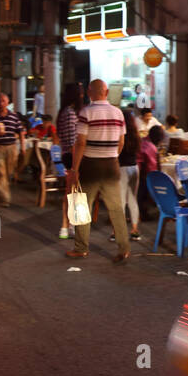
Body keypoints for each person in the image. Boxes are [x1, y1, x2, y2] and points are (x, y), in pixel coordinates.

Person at [67, 79, 130, 262]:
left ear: (89, 92)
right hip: (112, 165)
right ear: (107, 92)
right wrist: (112, 155)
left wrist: (74, 169)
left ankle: (81, 247)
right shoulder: (118, 113)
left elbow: (81, 142)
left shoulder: (86, 112)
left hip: (90, 165)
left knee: (81, 205)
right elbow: (121, 142)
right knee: (116, 208)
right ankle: (123, 249)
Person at [0, 92, 25, 207]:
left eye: (3, 100)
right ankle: (5, 199)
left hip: (11, 147)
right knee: (1, 173)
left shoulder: (14, 116)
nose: (1, 103)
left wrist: (22, 147)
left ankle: (2, 192)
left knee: (9, 173)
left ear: (8, 102)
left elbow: (21, 132)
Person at [57, 84, 82, 240]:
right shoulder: (71, 114)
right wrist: (76, 164)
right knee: (72, 193)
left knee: (71, 192)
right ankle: (67, 226)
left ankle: (68, 226)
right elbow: (73, 141)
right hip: (73, 156)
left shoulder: (63, 113)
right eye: (80, 94)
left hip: (66, 154)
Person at [115, 108, 143, 243]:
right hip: (134, 167)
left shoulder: (120, 133)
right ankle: (135, 230)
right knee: (133, 199)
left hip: (122, 168)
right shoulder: (136, 135)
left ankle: (118, 232)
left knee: (120, 201)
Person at [137, 124, 162, 221]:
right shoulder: (151, 147)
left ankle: (142, 211)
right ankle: (144, 213)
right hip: (142, 173)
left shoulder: (143, 140)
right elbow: (152, 169)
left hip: (135, 170)